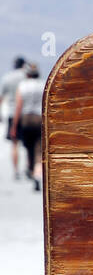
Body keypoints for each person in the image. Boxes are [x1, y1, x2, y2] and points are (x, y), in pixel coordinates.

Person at [12, 63, 42, 191]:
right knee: (39, 150)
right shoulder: (43, 85)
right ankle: (37, 173)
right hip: (39, 119)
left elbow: (19, 106)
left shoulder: (23, 86)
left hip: (26, 119)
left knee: (28, 148)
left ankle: (30, 169)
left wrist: (14, 125)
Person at [1, 57, 25, 179]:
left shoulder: (7, 77)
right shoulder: (27, 76)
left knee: (14, 145)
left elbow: (1, 98)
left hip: (11, 113)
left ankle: (16, 171)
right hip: (26, 114)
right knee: (30, 144)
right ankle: (30, 169)